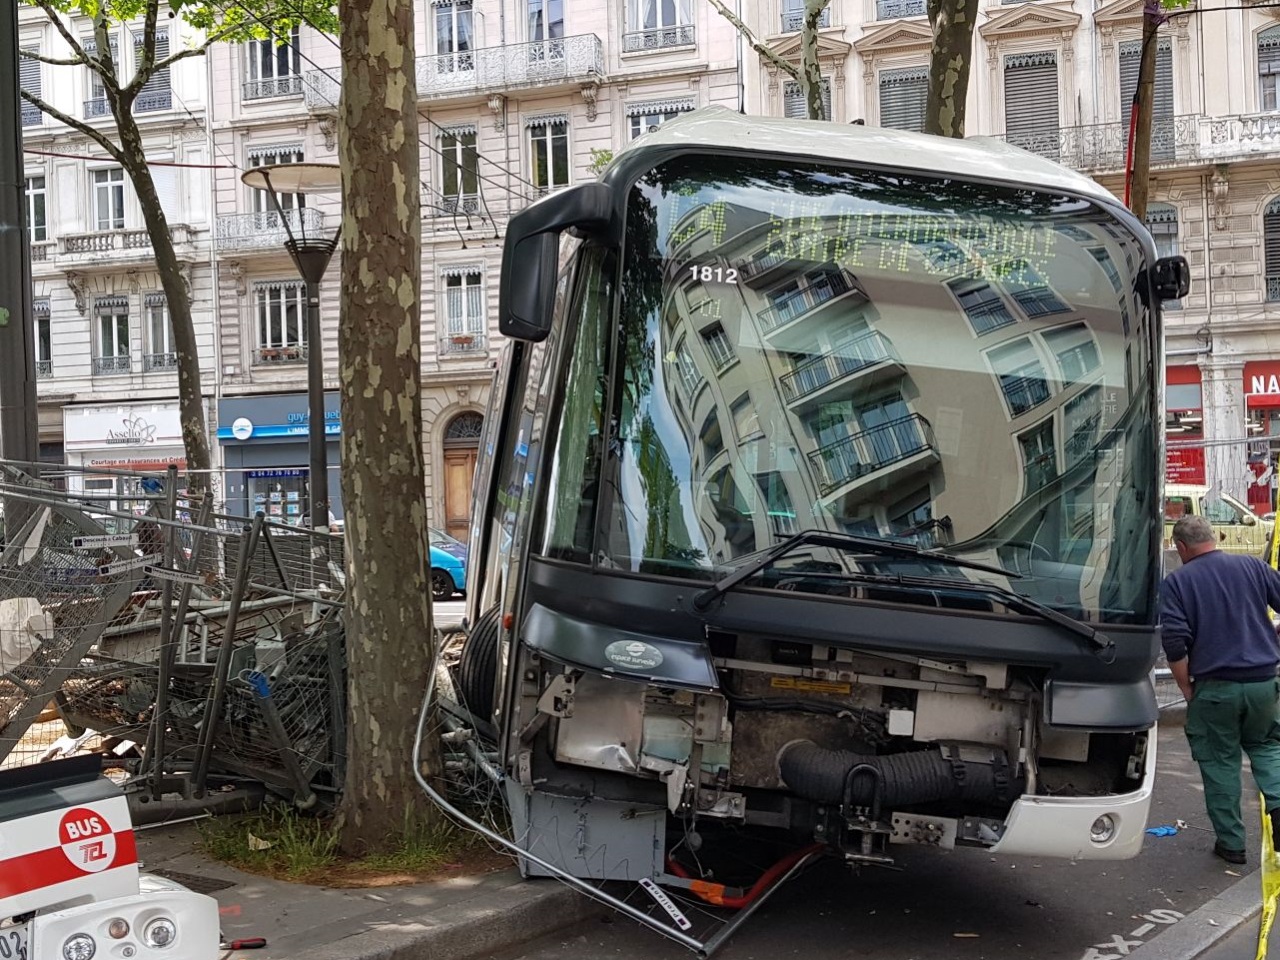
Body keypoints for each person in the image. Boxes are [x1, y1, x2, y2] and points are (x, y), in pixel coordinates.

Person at [1162, 515, 1280, 864]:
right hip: (1262, 684)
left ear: (1181, 547)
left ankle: (1231, 845)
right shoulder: (1253, 567)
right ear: (1214, 537)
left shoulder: (1177, 582)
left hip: (1215, 689)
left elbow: (1175, 643)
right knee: (1267, 747)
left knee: (1219, 763)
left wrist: (1186, 689)